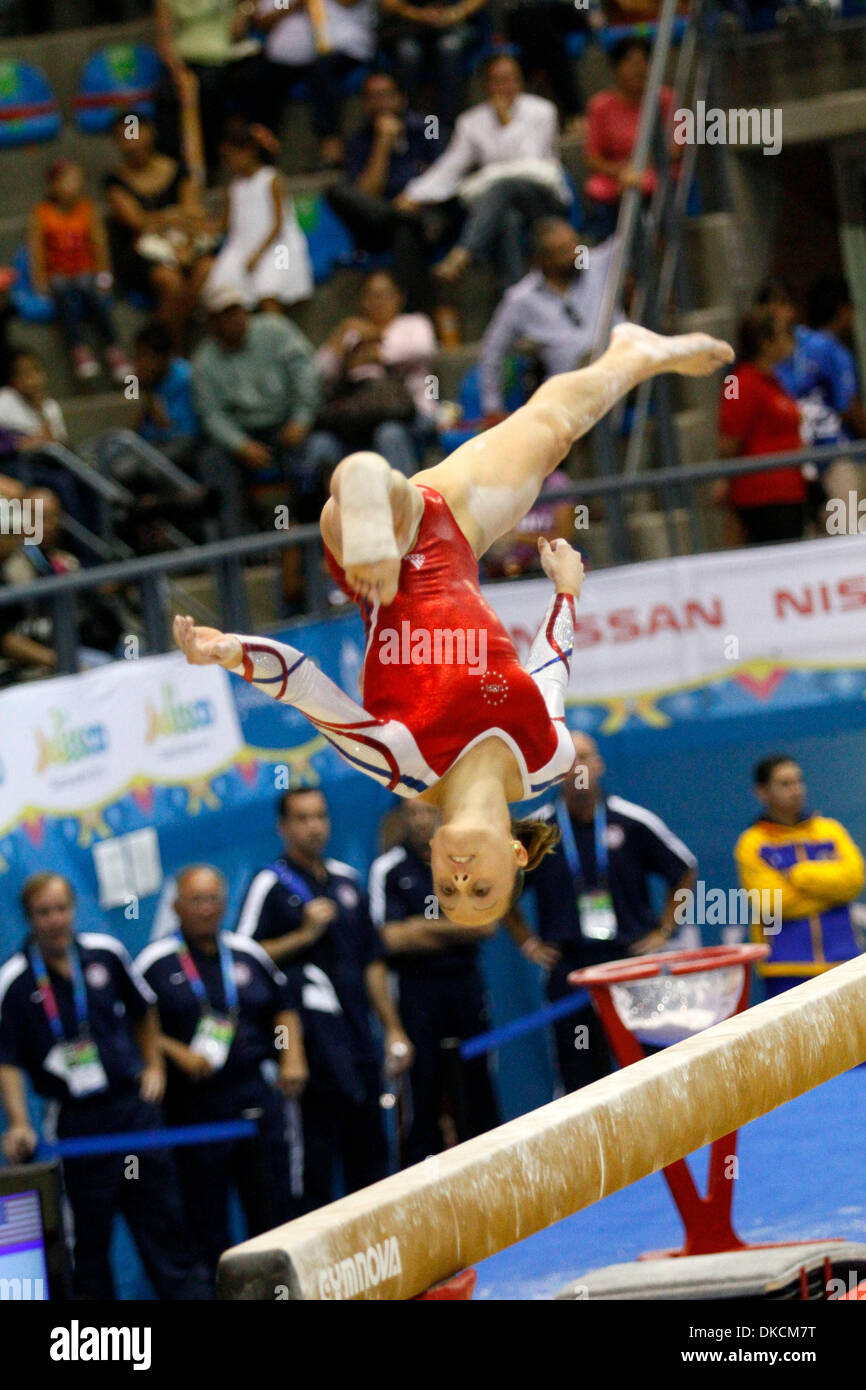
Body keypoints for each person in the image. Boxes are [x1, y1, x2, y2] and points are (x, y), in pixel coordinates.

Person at [174, 320, 733, 927]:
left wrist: (230, 652)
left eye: (450, 889)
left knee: (363, 498)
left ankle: (365, 486)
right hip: (457, 538)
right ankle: (633, 352)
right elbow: (550, 669)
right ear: (518, 854)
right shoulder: (547, 758)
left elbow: (305, 686)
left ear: (434, 858)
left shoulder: (400, 765)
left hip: (377, 567)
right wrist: (567, 592)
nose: (460, 880)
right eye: (482, 890)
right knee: (555, 430)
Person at [0, 873, 210, 1300]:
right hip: (78, 1127)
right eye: (45, 912)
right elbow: (8, 1060)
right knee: (87, 1247)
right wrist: (21, 1122)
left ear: (73, 908)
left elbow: (144, 1010)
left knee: (165, 1225)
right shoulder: (15, 982)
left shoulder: (105, 953)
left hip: (134, 1112)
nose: (56, 920)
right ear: (29, 918)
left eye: (62, 909)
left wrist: (154, 1066)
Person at [237, 788, 414, 1208]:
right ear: (283, 827)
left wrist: (392, 1030)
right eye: (301, 818)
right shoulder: (269, 884)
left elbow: (372, 961)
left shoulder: (346, 880)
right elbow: (242, 962)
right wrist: (303, 936)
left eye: (319, 816)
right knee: (313, 1170)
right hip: (309, 1057)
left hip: (358, 1044)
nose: (313, 826)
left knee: (372, 1160)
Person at [135, 864, 307, 1291]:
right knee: (205, 1218)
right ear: (176, 906)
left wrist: (290, 1057)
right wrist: (177, 1054)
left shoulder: (247, 953)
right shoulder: (153, 964)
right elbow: (138, 1029)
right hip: (195, 1111)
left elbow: (282, 1011)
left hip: (254, 1098)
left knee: (272, 1209)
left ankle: (278, 1291)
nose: (207, 909)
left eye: (214, 899)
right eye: (196, 900)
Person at [507, 730, 697, 1091]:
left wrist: (665, 930)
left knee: (648, 1071)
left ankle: (662, 1146)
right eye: (568, 760)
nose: (577, 767)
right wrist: (526, 942)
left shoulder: (632, 820)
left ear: (599, 765)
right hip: (570, 971)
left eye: (585, 757)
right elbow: (500, 894)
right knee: (581, 1079)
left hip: (630, 962)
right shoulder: (534, 831)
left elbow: (685, 870)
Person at [369, 799, 500, 1163]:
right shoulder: (388, 869)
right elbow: (390, 938)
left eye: (428, 811)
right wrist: (458, 927)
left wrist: (420, 925)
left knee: (478, 1086)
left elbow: (486, 925)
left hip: (466, 987)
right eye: (413, 812)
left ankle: (493, 1168)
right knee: (422, 1091)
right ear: (401, 818)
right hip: (417, 994)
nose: (421, 820)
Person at [396, 53, 572, 289]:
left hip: (543, 199)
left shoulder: (542, 111)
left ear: (520, 81)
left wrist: (506, 122)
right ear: (486, 84)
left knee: (503, 186)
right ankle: (516, 294)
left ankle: (463, 253)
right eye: (499, 80)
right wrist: (415, 193)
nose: (506, 86)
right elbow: (451, 165)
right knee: (507, 220)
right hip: (502, 205)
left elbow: (527, 163)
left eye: (512, 79)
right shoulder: (471, 121)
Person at [192, 287, 335, 537]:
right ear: (212, 322)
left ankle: (317, 540)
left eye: (238, 310)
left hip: (287, 424)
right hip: (243, 437)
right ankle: (235, 552)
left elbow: (306, 373)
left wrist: (301, 419)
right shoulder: (204, 361)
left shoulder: (275, 330)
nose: (236, 319)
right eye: (226, 314)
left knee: (317, 452)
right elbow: (211, 414)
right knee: (213, 462)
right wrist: (240, 444)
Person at [734, 755, 865, 998]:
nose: (795, 790)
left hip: (846, 960)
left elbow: (853, 881)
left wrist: (800, 875)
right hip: (786, 969)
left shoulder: (830, 830)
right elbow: (773, 902)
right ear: (763, 791)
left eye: (798, 781)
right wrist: (830, 890)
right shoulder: (752, 843)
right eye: (784, 784)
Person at [327, 71, 449, 313]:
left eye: (385, 95)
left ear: (400, 98)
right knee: (336, 192)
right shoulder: (357, 141)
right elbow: (365, 196)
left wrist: (415, 199)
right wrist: (382, 144)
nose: (379, 103)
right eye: (372, 97)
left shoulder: (429, 125)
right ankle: (401, 217)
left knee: (404, 231)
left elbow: (446, 174)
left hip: (426, 216)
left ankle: (415, 318)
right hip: (377, 225)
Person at [479, 220, 620, 418]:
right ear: (542, 260)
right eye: (563, 251)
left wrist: (638, 191)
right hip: (570, 393)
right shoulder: (521, 299)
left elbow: (634, 235)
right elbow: (493, 351)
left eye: (575, 244)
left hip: (620, 371)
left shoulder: (596, 263)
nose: (574, 254)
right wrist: (492, 406)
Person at [104, 113, 213, 349]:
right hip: (143, 255)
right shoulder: (115, 181)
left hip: (185, 244)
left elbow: (193, 212)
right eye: (124, 135)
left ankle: (159, 336)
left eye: (135, 132)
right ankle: (173, 348)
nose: (131, 141)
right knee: (169, 280)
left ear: (150, 133)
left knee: (207, 268)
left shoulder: (176, 169)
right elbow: (136, 221)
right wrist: (171, 216)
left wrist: (182, 244)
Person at [315, 269, 438, 476]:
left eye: (384, 295)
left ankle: (402, 505)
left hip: (411, 412)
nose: (378, 302)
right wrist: (339, 337)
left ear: (400, 298)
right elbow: (319, 373)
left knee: (389, 433)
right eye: (371, 295)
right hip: (360, 415)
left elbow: (424, 348)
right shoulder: (352, 331)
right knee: (320, 443)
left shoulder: (414, 324)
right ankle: (334, 508)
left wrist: (377, 345)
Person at [28, 161, 132, 386]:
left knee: (89, 288)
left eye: (78, 180)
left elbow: (99, 243)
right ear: (52, 186)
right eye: (68, 180)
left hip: (85, 272)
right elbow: (36, 251)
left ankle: (113, 348)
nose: (75, 186)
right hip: (58, 274)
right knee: (62, 290)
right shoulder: (42, 214)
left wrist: (104, 273)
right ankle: (78, 348)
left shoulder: (87, 209)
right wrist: (40, 282)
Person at [772, 276, 866, 524]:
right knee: (846, 533)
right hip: (822, 457)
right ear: (843, 309)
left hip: (800, 459)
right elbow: (849, 408)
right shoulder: (829, 349)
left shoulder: (804, 345)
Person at [716, 307, 807, 545]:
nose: (792, 340)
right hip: (763, 497)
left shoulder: (773, 381)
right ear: (765, 343)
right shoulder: (739, 381)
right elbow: (728, 441)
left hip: (790, 490)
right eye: (784, 334)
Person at [204, 117, 313, 313]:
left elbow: (278, 224)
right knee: (222, 293)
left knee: (267, 290)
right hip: (242, 248)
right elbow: (224, 225)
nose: (229, 164)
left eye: (232, 156)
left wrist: (258, 254)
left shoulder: (271, 179)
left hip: (278, 248)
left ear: (249, 151)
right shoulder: (234, 187)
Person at [253, 0, 377, 168]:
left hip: (348, 49)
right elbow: (265, 16)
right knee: (259, 79)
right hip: (303, 55)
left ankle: (330, 142)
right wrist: (292, 5)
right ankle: (263, 144)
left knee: (322, 73)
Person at [153, 0, 263, 183]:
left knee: (212, 90)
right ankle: (174, 172)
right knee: (167, 97)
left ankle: (211, 162)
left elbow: (240, 25)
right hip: (184, 62)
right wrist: (180, 75)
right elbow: (164, 41)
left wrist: (244, 11)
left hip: (223, 58)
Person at [583, 37, 678, 242]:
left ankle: (659, 246)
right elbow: (593, 157)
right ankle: (616, 253)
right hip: (618, 174)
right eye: (630, 62)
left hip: (657, 169)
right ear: (615, 68)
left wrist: (641, 168)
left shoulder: (667, 98)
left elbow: (677, 147)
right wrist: (621, 171)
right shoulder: (600, 106)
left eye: (644, 61)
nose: (639, 69)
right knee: (604, 191)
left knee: (647, 187)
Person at [0, 351, 87, 526]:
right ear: (14, 380)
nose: (31, 378)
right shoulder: (5, 401)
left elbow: (59, 443)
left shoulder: (49, 405)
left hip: (45, 462)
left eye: (35, 371)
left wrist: (40, 408)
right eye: (24, 373)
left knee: (85, 478)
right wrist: (19, 443)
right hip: (14, 464)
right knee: (63, 483)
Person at [380, 0, 489, 130]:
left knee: (449, 47)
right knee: (408, 53)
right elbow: (388, 3)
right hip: (410, 26)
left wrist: (455, 13)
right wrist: (418, 15)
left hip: (455, 23)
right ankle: (409, 120)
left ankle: (447, 122)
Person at [504, 0, 590, 133]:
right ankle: (573, 113)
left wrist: (584, 8)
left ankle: (574, 113)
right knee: (534, 18)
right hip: (529, 23)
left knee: (545, 19)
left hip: (564, 12)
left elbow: (582, 5)